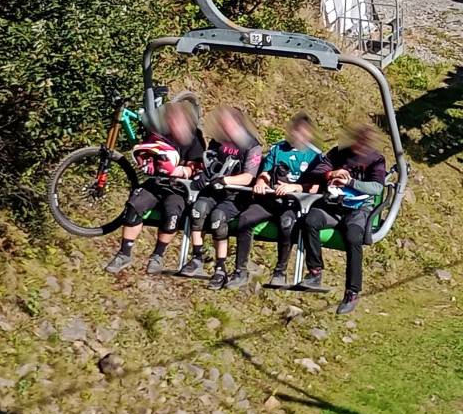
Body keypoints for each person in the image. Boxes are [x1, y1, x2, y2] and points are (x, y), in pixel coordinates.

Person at [228, 112, 327, 289]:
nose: (297, 136)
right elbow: (266, 172)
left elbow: (315, 187)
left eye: (302, 133)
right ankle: (240, 271)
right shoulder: (278, 149)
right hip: (271, 200)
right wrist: (261, 182)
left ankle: (280, 271)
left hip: (294, 204)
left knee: (286, 224)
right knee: (245, 219)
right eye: (295, 131)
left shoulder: (315, 156)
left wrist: (295, 187)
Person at [105, 100, 205, 275]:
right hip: (156, 182)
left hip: (178, 187)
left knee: (172, 213)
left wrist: (184, 170)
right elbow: (146, 151)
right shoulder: (158, 133)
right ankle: (124, 253)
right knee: (134, 205)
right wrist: (146, 162)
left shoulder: (194, 137)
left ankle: (158, 255)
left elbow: (197, 165)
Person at [299, 125, 388, 314]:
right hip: (334, 205)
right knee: (310, 220)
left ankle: (352, 291)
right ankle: (315, 271)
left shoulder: (376, 160)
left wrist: (350, 182)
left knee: (353, 237)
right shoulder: (339, 153)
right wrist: (331, 174)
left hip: (358, 208)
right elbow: (316, 171)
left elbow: (377, 187)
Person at [179, 107, 262, 289]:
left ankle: (220, 268)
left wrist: (225, 180)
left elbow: (248, 177)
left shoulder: (252, 146)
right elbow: (209, 162)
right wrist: (203, 175)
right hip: (213, 190)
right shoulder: (218, 141)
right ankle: (197, 257)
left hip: (236, 195)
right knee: (198, 210)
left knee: (218, 218)